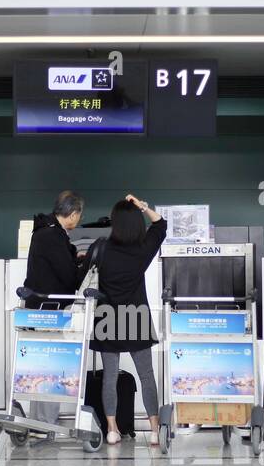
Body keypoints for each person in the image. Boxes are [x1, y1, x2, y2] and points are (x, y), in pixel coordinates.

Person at [92, 194, 166, 448]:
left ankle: (112, 429)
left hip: (107, 318)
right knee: (146, 375)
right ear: (136, 224)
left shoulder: (102, 248)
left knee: (109, 377)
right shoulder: (142, 251)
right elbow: (161, 225)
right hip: (136, 316)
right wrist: (144, 206)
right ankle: (155, 430)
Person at [23, 190, 92, 429]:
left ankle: (37, 421)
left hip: (39, 308)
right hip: (48, 311)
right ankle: (45, 423)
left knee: (40, 366)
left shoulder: (46, 231)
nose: (79, 220)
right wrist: (85, 264)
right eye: (79, 215)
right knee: (50, 366)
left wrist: (74, 257)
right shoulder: (53, 235)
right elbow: (67, 276)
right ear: (72, 214)